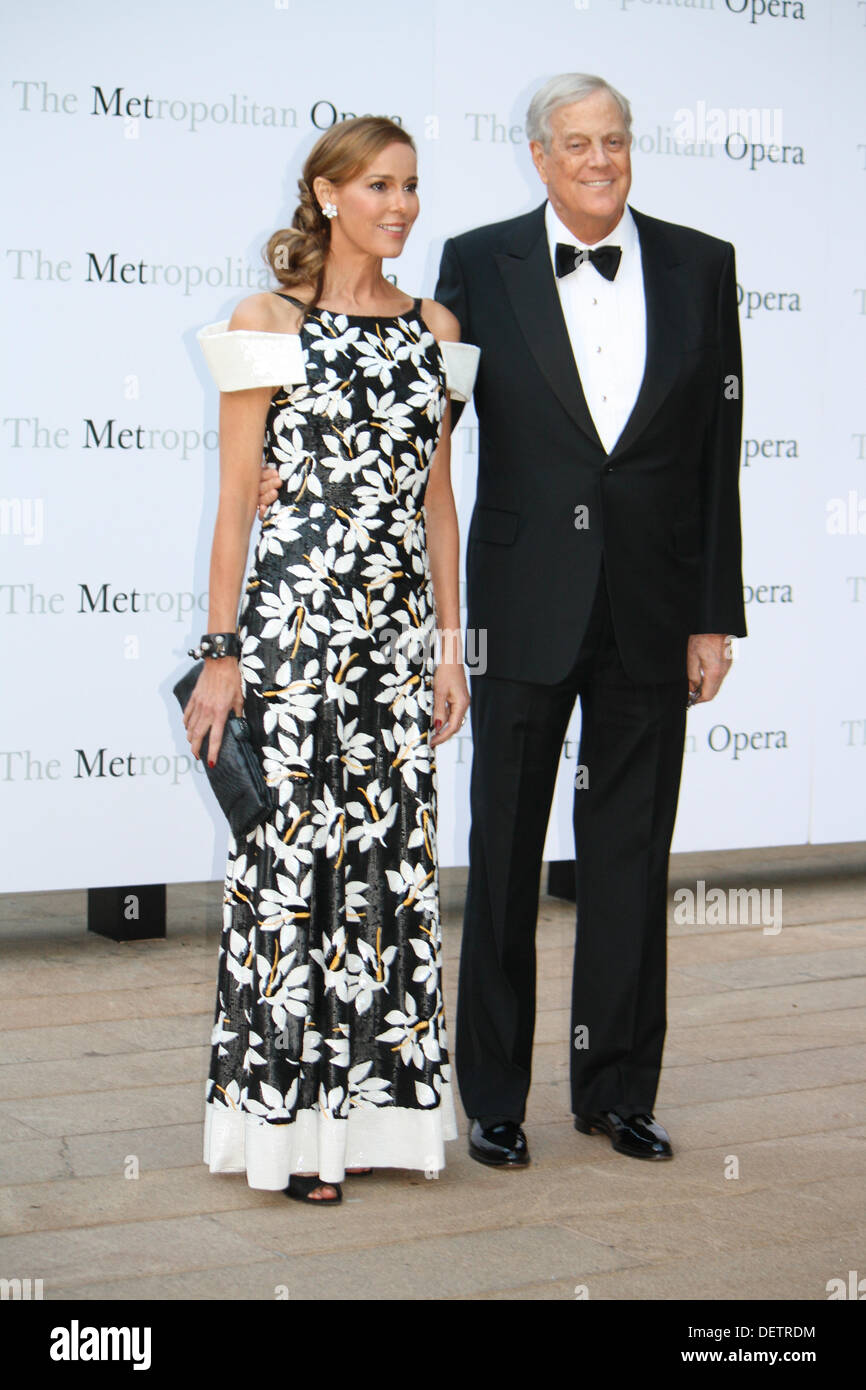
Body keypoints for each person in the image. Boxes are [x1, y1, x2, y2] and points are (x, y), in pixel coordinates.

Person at [432, 73, 746, 1166]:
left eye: (613, 140)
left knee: (627, 856)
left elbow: (717, 458)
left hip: (652, 607)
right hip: (521, 604)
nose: (599, 160)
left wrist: (713, 616)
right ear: (536, 155)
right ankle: (495, 1100)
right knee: (504, 852)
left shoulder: (703, 265)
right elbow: (421, 433)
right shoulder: (477, 262)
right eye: (576, 144)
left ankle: (614, 1090)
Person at [184, 116, 476, 1204]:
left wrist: (450, 651)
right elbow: (232, 504)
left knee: (391, 874)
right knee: (291, 880)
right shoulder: (261, 320)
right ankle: (287, 1136)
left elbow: (438, 505)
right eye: (376, 186)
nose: (398, 205)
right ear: (323, 193)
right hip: (292, 638)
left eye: (409, 186)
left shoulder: (435, 327)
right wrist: (222, 655)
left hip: (395, 643)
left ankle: (379, 1125)